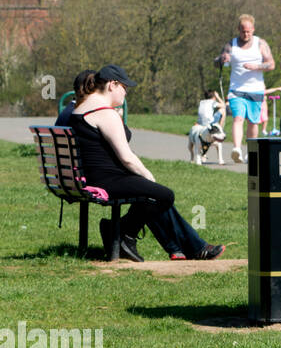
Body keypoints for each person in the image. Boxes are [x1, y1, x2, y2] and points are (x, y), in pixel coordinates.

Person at [70, 66, 224, 262]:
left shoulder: (79, 109)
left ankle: (188, 247)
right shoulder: (104, 113)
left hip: (93, 177)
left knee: (153, 195)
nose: (126, 92)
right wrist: (148, 175)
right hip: (107, 181)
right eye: (124, 87)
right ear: (112, 85)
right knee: (164, 195)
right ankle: (122, 232)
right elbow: (126, 157)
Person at [217, 13, 274, 164]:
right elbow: (218, 61)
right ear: (238, 29)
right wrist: (222, 59)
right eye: (243, 31)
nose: (246, 34)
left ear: (253, 29)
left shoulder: (260, 44)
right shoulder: (231, 44)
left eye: (248, 31)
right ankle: (236, 148)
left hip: (255, 89)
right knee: (238, 118)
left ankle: (252, 151)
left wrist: (257, 66)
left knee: (253, 122)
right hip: (236, 89)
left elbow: (271, 64)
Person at [188, 89, 227, 166]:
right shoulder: (212, 102)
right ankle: (219, 129)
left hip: (200, 124)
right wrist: (218, 97)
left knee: (202, 140)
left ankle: (202, 154)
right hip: (209, 124)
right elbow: (224, 105)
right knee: (223, 110)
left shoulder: (201, 102)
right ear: (214, 97)